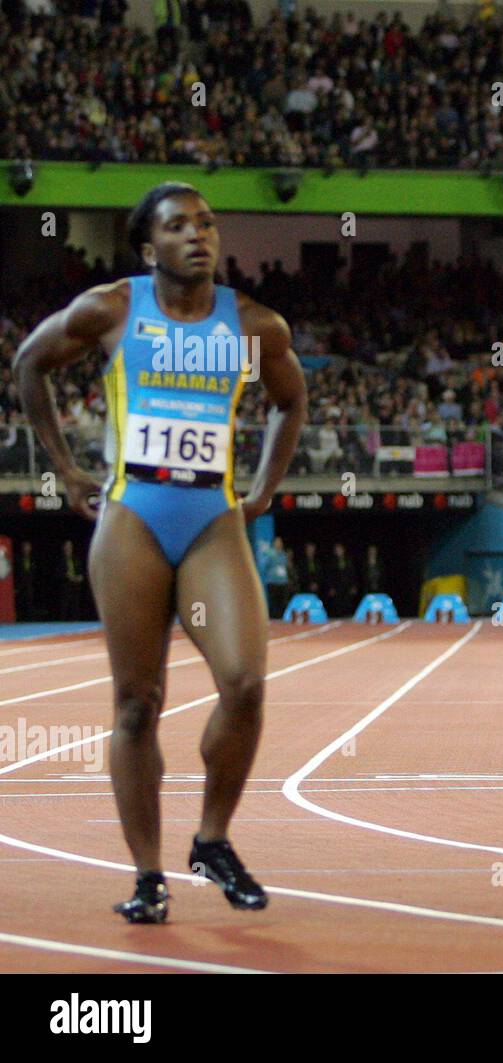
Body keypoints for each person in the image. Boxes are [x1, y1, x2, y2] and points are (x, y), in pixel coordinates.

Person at [14, 182, 307, 922]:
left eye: (206, 223)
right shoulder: (112, 310)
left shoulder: (251, 325)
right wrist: (64, 468)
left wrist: (263, 488)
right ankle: (148, 875)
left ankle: (211, 838)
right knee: (137, 703)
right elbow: (29, 364)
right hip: (133, 517)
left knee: (245, 682)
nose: (197, 235)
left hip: (212, 517)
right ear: (149, 248)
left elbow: (290, 398)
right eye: (178, 226)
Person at [57, 540, 86, 621]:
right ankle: (62, 623)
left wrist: (80, 576)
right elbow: (58, 573)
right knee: (64, 607)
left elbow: (80, 571)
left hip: (75, 587)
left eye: (70, 547)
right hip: (65, 587)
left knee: (75, 607)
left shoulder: (76, 559)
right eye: (67, 546)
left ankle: (76, 622)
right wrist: (66, 576)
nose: (69, 548)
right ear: (63, 548)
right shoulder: (60, 560)